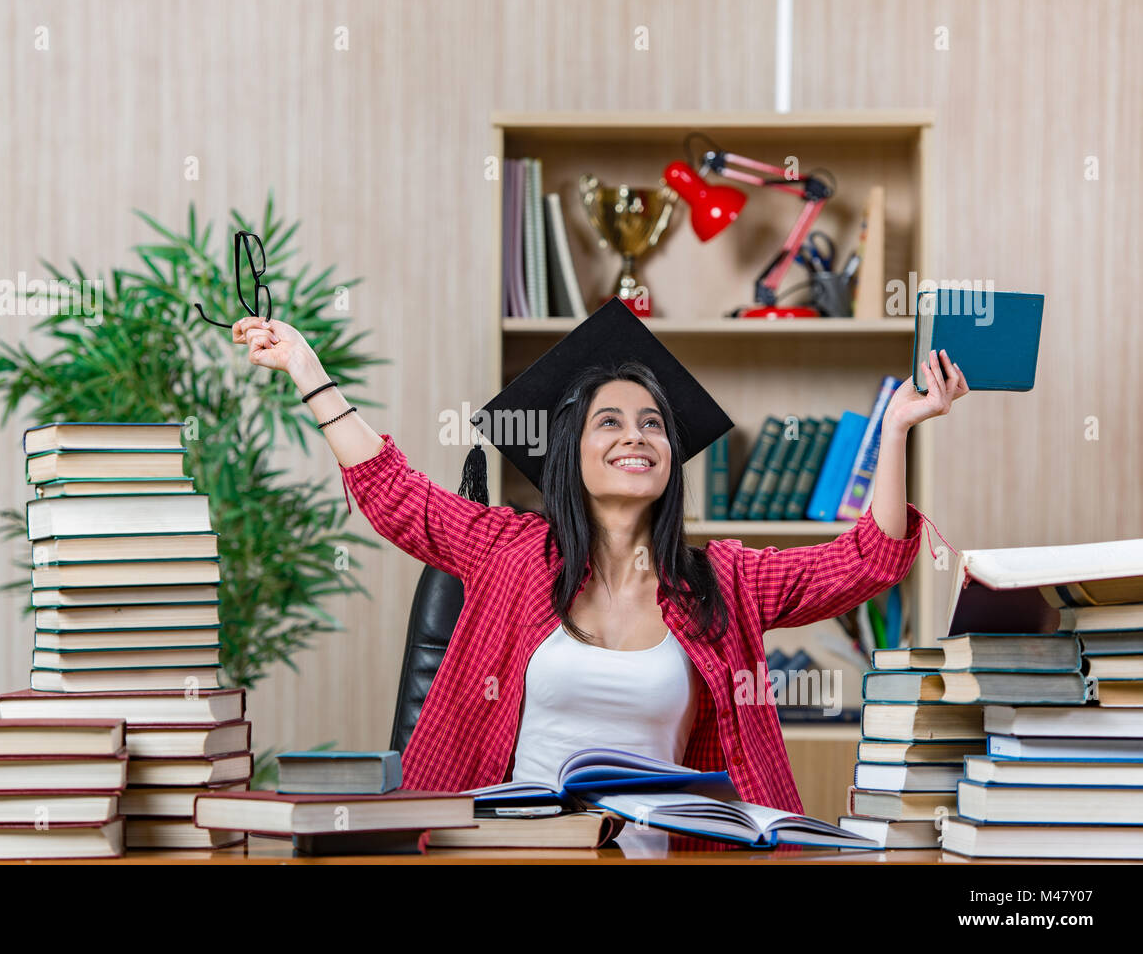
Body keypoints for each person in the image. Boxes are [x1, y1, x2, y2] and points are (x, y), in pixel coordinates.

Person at [232, 298, 967, 852]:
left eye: (652, 423)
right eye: (608, 422)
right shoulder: (510, 553)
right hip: (508, 853)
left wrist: (898, 428)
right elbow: (395, 494)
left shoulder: (726, 582)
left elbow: (868, 558)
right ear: (571, 455)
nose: (636, 435)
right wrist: (307, 368)